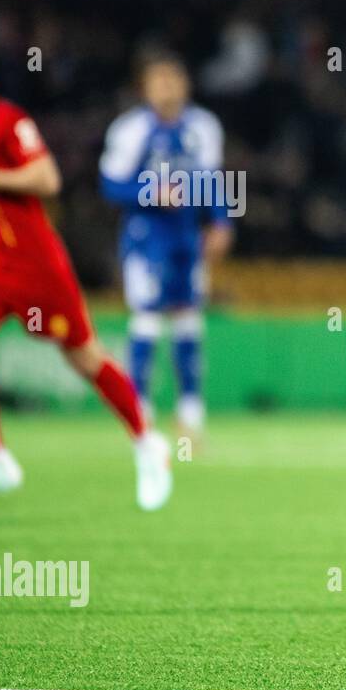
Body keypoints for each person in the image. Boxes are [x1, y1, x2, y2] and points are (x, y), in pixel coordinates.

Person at [0, 47, 172, 509]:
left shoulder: (8, 121)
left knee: (83, 356)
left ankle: (147, 441)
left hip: (31, 262)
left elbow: (48, 179)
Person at [99, 50, 234, 439]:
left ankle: (191, 417)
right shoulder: (129, 130)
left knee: (189, 317)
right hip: (146, 239)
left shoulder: (204, 126)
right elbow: (109, 186)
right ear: (144, 88)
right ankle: (139, 415)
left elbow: (212, 178)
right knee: (146, 316)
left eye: (173, 80)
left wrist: (221, 222)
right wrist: (150, 192)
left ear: (186, 84)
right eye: (159, 81)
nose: (167, 88)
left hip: (187, 237)